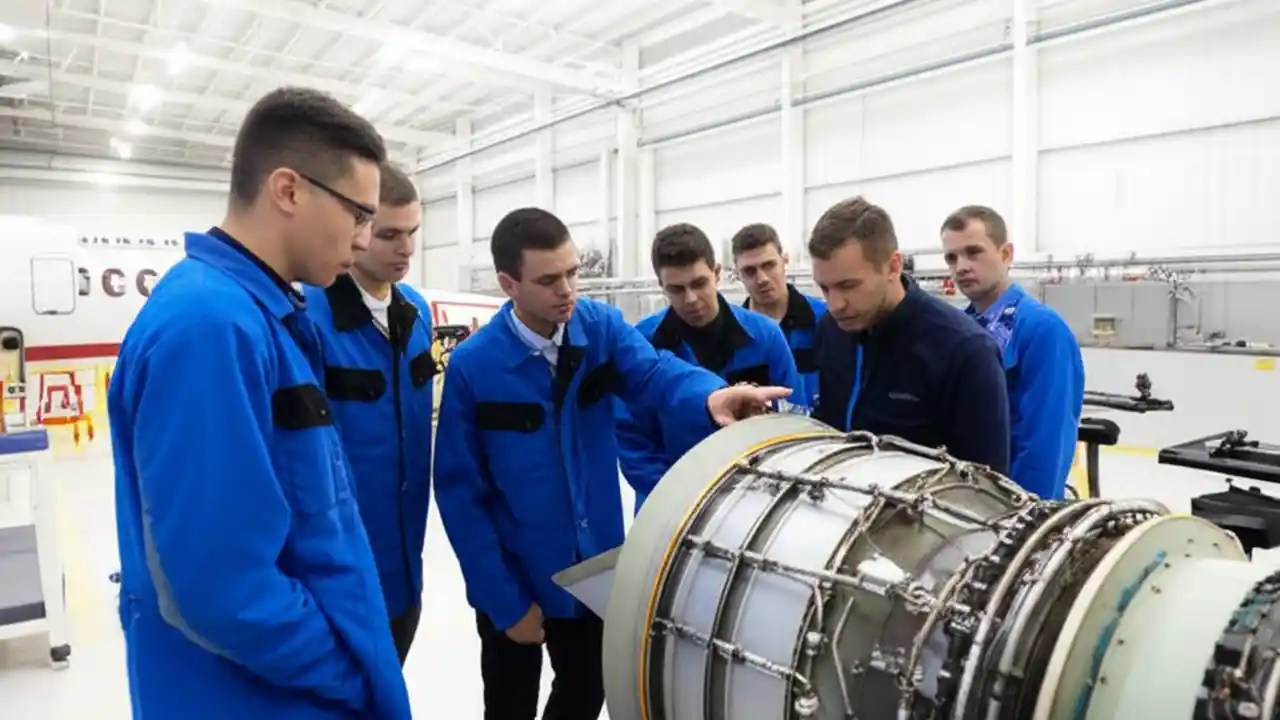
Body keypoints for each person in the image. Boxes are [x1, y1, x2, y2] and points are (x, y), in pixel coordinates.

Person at [108, 87, 411, 718]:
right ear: (289, 190)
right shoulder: (211, 327)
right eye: (358, 215)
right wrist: (352, 673)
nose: (363, 241)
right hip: (260, 695)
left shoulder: (264, 315)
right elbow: (218, 589)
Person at [432, 208, 789, 720]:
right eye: (549, 280)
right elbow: (460, 493)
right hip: (515, 574)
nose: (567, 290)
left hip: (591, 568)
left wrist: (710, 397)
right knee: (509, 703)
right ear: (509, 284)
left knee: (585, 689)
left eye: (573, 273)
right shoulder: (474, 367)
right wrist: (504, 600)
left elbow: (655, 373)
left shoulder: (599, 329)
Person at [303, 161, 434, 664]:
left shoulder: (416, 314)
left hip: (405, 567)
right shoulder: (308, 320)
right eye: (389, 235)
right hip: (338, 577)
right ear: (358, 232)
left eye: (413, 233)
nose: (406, 249)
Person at [808, 196, 1011, 474]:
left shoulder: (964, 351)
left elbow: (988, 487)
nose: (835, 304)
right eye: (825, 288)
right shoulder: (832, 330)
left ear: (893, 266)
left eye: (848, 286)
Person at [617, 223, 801, 510]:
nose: (691, 299)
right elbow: (632, 442)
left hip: (756, 501)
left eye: (699, 283)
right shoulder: (640, 346)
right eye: (677, 289)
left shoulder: (766, 337)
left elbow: (795, 419)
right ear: (661, 286)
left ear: (716, 273)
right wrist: (684, 503)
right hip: (674, 507)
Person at [940, 205, 1085, 498]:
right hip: (963, 500)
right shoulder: (958, 329)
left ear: (1006, 254)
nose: (961, 267)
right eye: (952, 258)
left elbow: (1044, 444)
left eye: (973, 252)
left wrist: (1023, 521)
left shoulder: (1041, 329)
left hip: (1012, 509)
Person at [730, 222, 827, 408]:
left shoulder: (825, 320)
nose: (762, 279)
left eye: (768, 265)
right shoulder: (732, 337)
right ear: (737, 274)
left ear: (784, 261)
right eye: (750, 271)